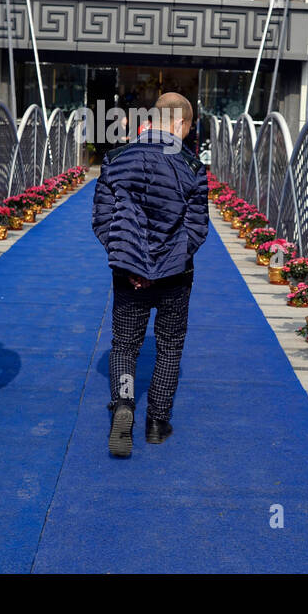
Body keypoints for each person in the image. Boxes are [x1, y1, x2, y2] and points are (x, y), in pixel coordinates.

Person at [91, 91, 208, 458]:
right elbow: (196, 229)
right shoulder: (191, 167)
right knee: (169, 346)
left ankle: (124, 403)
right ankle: (157, 422)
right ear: (180, 125)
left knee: (125, 344)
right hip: (176, 276)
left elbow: (103, 221)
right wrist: (164, 267)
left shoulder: (115, 159)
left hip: (128, 275)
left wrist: (132, 264)